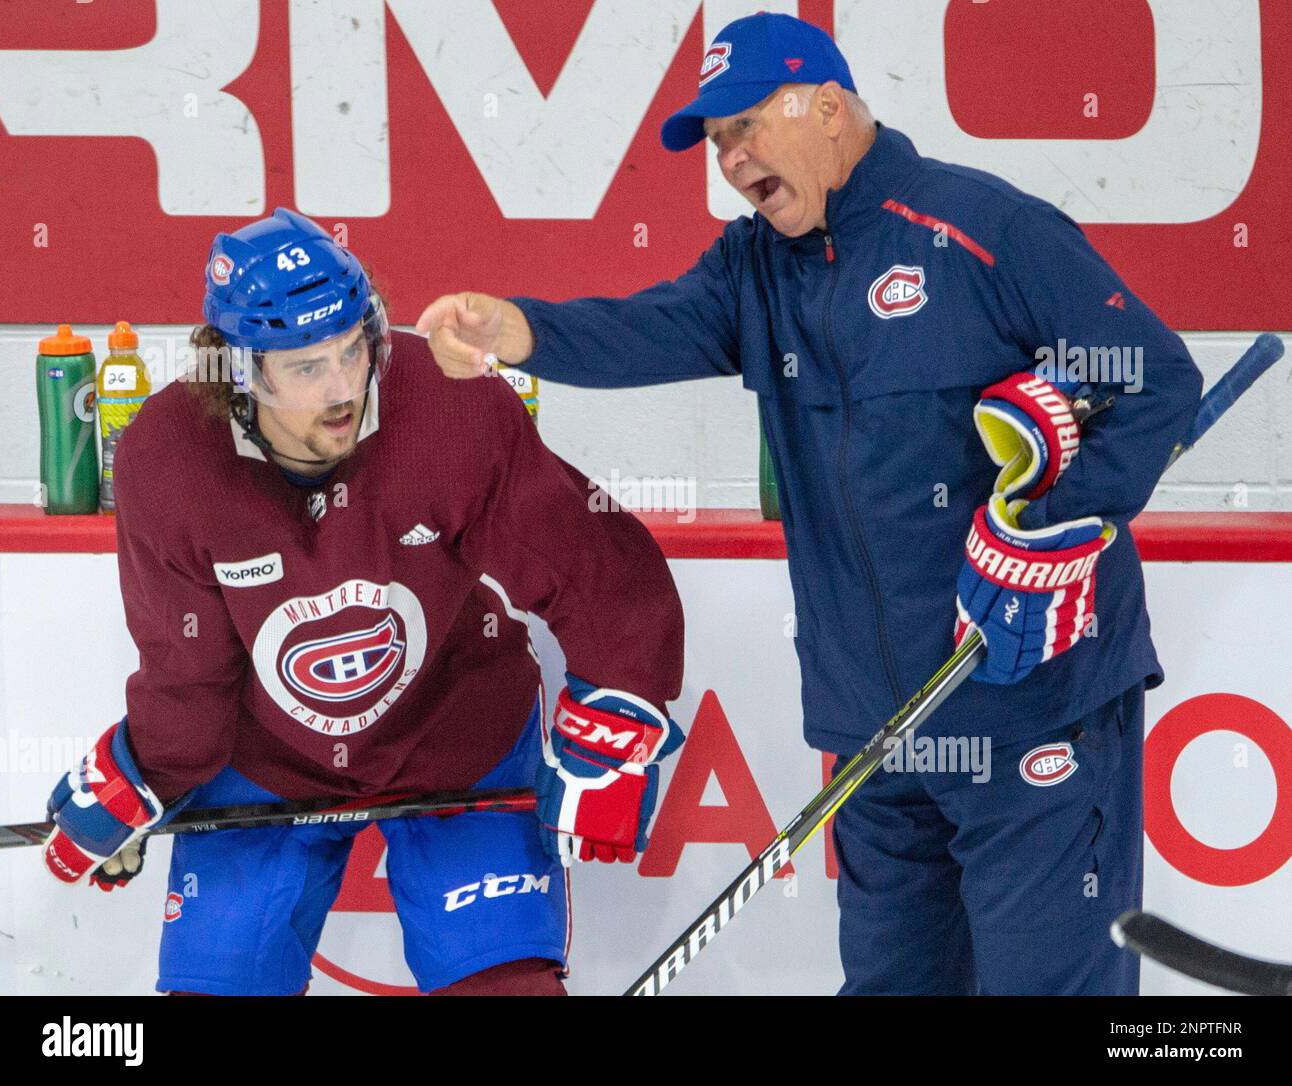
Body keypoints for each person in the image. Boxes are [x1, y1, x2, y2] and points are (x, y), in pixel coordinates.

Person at [417, 13, 1204, 995]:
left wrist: (1060, 523)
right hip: (874, 732)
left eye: (745, 126)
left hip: (1029, 710)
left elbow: (1153, 380)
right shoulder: (753, 271)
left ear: (827, 108)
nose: (732, 159)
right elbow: (645, 329)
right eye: (714, 143)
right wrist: (519, 327)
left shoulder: (984, 231)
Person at [41, 208, 685, 996]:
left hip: (457, 737)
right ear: (238, 371)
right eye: (306, 368)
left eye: (355, 351)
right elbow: (188, 667)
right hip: (268, 759)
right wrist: (145, 774)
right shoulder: (167, 456)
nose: (344, 391)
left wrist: (614, 713)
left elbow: (596, 573)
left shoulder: (452, 407)